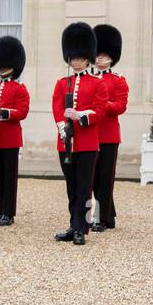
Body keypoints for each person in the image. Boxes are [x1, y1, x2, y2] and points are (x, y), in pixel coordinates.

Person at [52, 22, 109, 246]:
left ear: (88, 57)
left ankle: (82, 228)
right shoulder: (61, 83)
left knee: (85, 188)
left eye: (80, 57)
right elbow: (57, 107)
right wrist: (62, 127)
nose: (75, 61)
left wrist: (80, 116)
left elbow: (100, 110)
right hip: (65, 142)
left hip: (86, 143)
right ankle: (73, 224)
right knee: (71, 187)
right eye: (72, 57)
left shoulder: (97, 83)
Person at [0, 35, 30, 226]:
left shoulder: (19, 88)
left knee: (9, 177)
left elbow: (22, 111)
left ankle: (9, 212)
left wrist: (2, 112)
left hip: (11, 138)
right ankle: (0, 209)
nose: (3, 67)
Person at [91, 25, 127, 232]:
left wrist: (101, 104)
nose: (99, 59)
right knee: (92, 178)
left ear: (112, 58)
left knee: (105, 179)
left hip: (108, 136)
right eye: (97, 55)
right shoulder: (89, 79)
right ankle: (108, 215)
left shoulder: (118, 81)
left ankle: (101, 218)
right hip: (90, 134)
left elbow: (120, 106)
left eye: (104, 56)